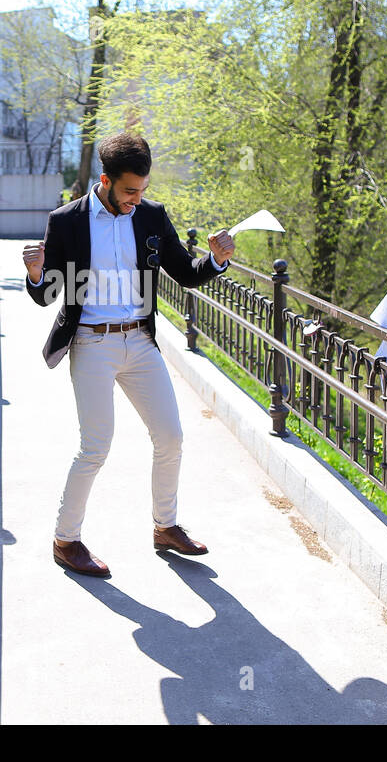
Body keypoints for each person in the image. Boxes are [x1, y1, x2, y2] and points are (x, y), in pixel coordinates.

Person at [22, 131, 235, 577]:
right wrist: (37, 274)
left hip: (139, 341)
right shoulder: (67, 222)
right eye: (129, 191)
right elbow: (47, 297)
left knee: (171, 436)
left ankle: (166, 526)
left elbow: (184, 271)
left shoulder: (151, 216)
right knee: (95, 447)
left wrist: (215, 260)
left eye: (142, 190)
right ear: (105, 180)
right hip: (92, 344)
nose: (137, 199)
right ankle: (66, 539)